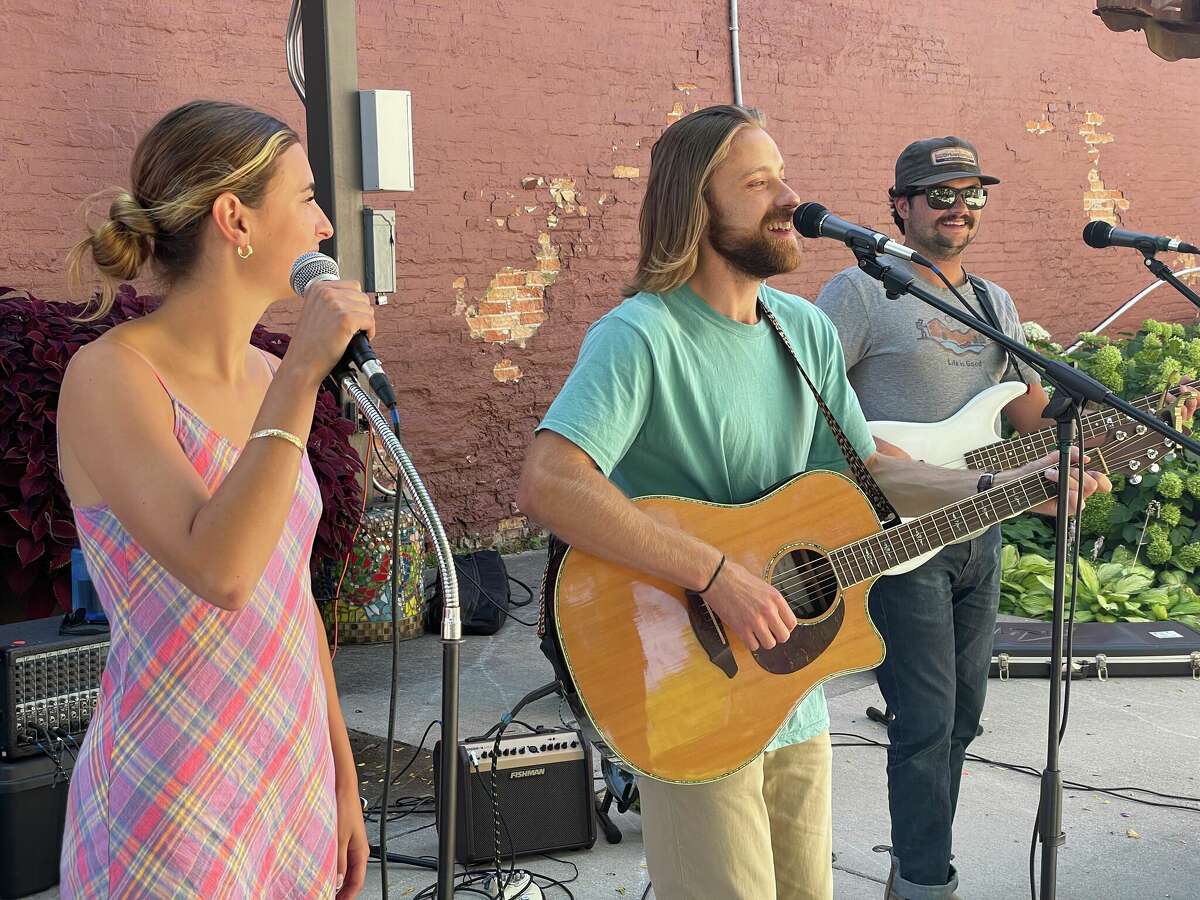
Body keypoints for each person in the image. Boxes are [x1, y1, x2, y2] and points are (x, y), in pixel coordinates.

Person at [517, 107, 1106, 900]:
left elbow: (869, 472)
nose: (790, 198)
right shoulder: (642, 335)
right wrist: (715, 573)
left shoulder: (802, 329)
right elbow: (551, 482)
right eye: (759, 183)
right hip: (685, 683)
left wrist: (1005, 487)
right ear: (696, 206)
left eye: (784, 177)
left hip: (791, 690)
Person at [56, 100, 371, 899]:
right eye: (306, 198)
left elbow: (288, 593)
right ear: (236, 219)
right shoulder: (111, 377)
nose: (325, 226)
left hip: (290, 778)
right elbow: (223, 570)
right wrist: (305, 372)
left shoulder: (270, 376)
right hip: (175, 794)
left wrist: (342, 775)